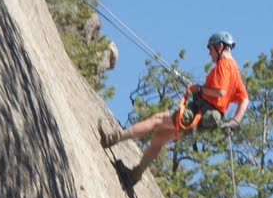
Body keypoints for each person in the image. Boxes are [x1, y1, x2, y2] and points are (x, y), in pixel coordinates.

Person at [101, 31, 250, 187]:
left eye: (210, 49)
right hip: (206, 118)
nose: (209, 53)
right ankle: (135, 175)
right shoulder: (235, 70)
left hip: (201, 113)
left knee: (156, 120)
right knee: (160, 136)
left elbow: (220, 92)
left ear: (220, 47)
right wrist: (235, 121)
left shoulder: (224, 65)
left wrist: (198, 89)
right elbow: (244, 99)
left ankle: (113, 138)